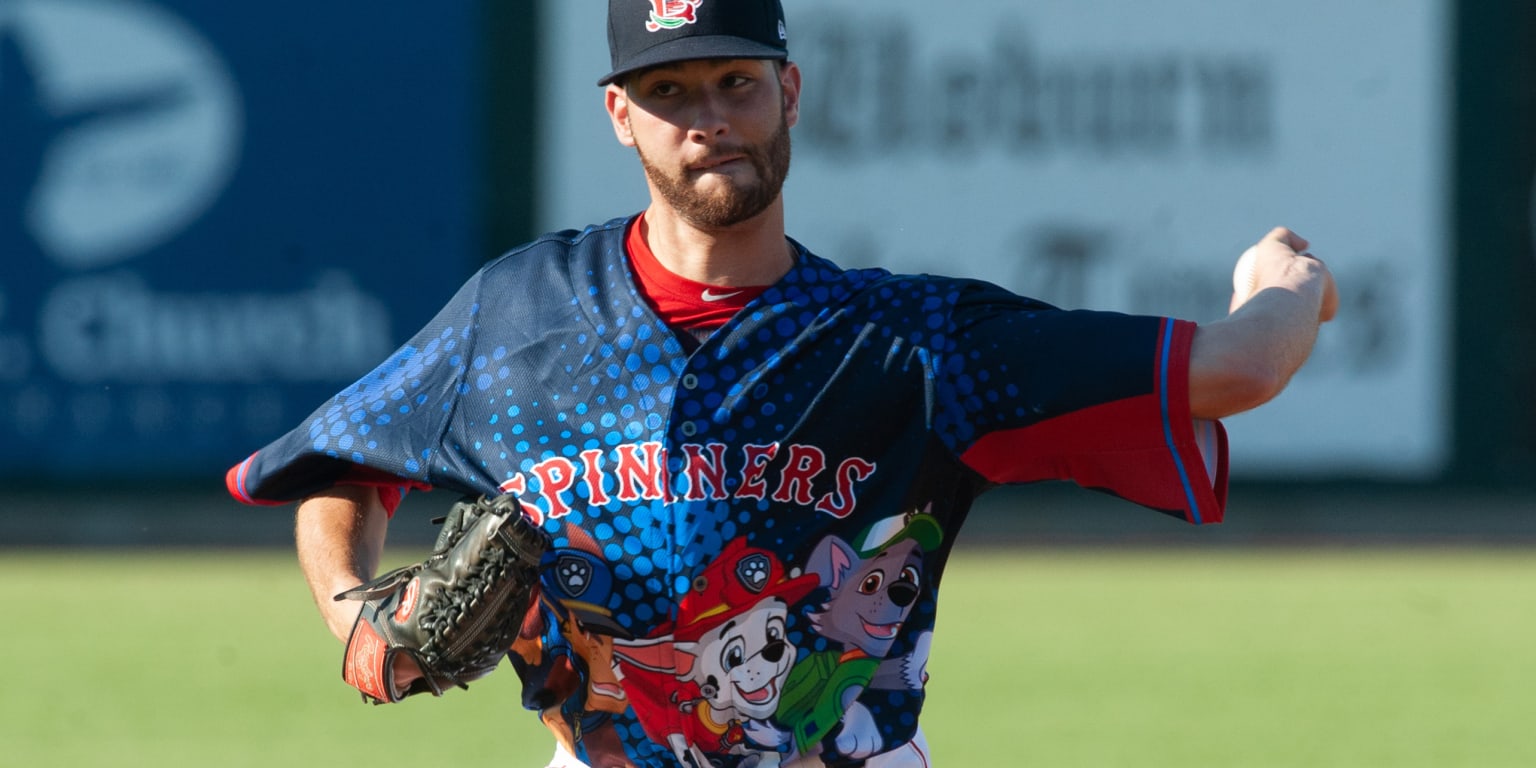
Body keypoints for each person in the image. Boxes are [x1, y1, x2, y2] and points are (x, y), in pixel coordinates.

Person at [226, 1, 1338, 766]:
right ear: (621, 115)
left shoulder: (915, 341)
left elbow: (1237, 369)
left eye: (735, 82)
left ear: (789, 91)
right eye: (669, 90)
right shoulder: (518, 316)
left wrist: (1286, 285)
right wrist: (351, 614)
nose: (709, 115)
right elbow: (345, 459)